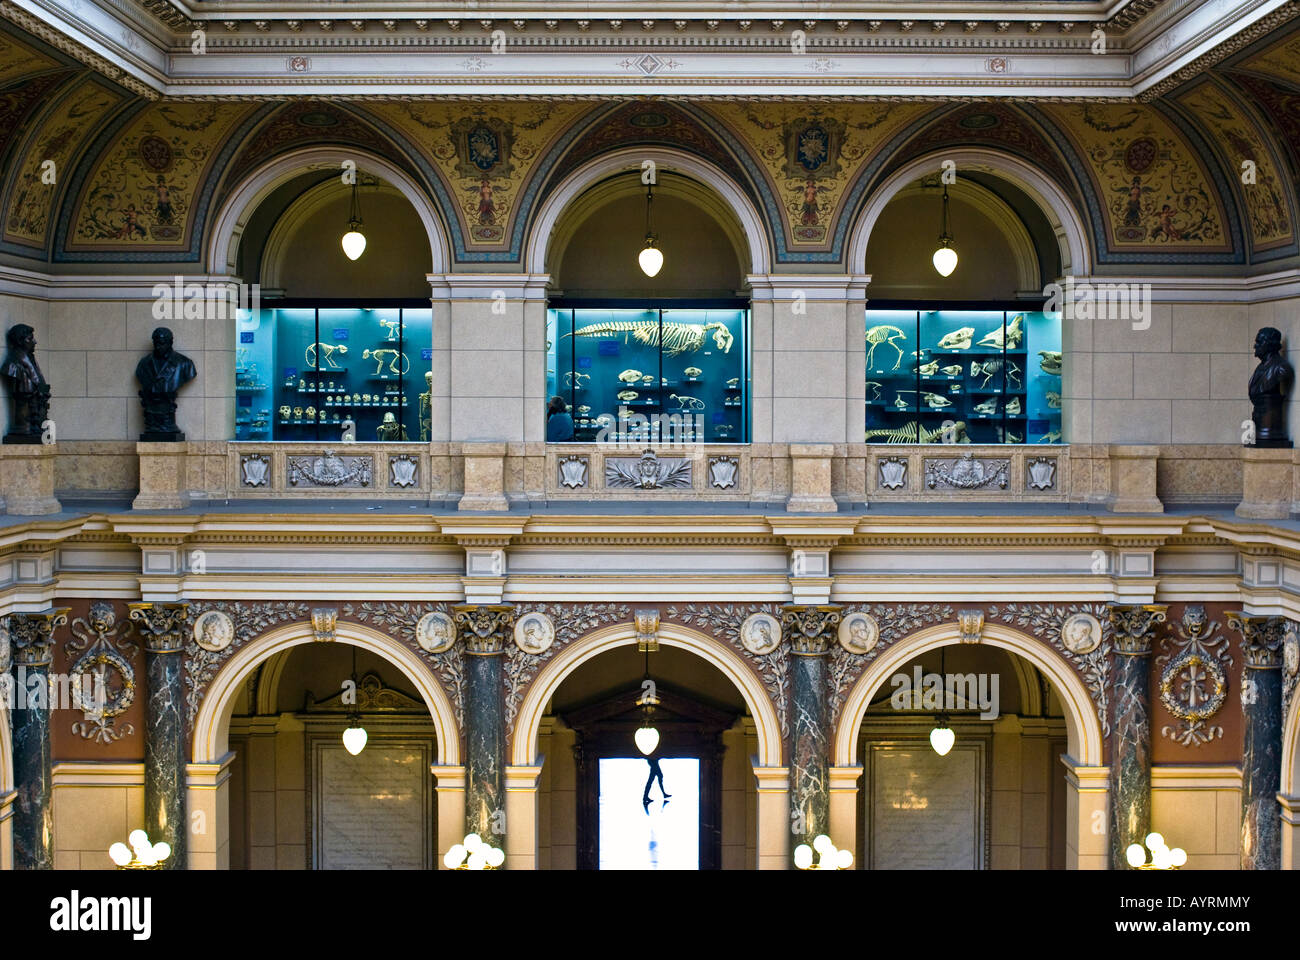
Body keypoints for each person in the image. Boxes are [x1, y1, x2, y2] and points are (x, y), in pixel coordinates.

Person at [135, 326, 197, 440]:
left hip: (169, 420)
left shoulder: (184, 364)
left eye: (162, 343)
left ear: (170, 342)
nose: (158, 347)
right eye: (156, 343)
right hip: (151, 421)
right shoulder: (144, 364)